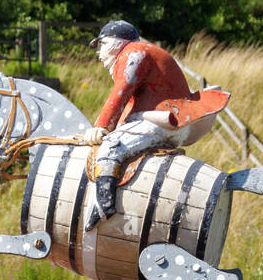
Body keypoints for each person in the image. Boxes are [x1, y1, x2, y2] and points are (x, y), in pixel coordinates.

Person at [83, 20, 229, 230]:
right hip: (161, 119)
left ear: (117, 42)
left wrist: (102, 126)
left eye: (102, 44)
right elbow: (132, 103)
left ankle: (104, 206)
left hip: (162, 119)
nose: (99, 53)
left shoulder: (134, 52)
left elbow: (121, 93)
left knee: (110, 147)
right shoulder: (141, 52)